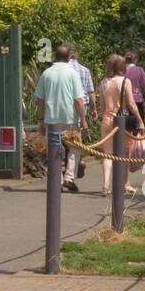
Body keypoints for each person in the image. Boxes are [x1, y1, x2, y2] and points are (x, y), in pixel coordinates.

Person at [35, 44, 88, 192]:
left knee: (54, 149)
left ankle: (57, 181)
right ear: (69, 57)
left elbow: (40, 100)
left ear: (55, 56)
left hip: (51, 118)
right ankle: (69, 177)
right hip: (69, 118)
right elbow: (79, 100)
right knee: (75, 148)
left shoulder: (46, 73)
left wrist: (40, 120)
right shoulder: (72, 74)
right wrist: (83, 120)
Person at [98, 54, 144, 195]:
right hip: (122, 121)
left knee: (108, 154)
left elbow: (102, 106)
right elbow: (130, 103)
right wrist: (139, 119)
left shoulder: (103, 82)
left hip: (107, 120)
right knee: (124, 154)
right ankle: (125, 183)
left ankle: (106, 185)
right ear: (121, 66)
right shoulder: (125, 81)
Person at [65, 44, 97, 122]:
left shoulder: (60, 69)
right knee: (76, 133)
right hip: (81, 110)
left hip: (63, 109)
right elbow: (91, 93)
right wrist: (93, 109)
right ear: (75, 54)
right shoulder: (85, 70)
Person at [122, 50, 145, 117]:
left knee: (124, 125)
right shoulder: (140, 70)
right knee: (138, 123)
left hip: (124, 101)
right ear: (135, 60)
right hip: (138, 99)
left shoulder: (121, 70)